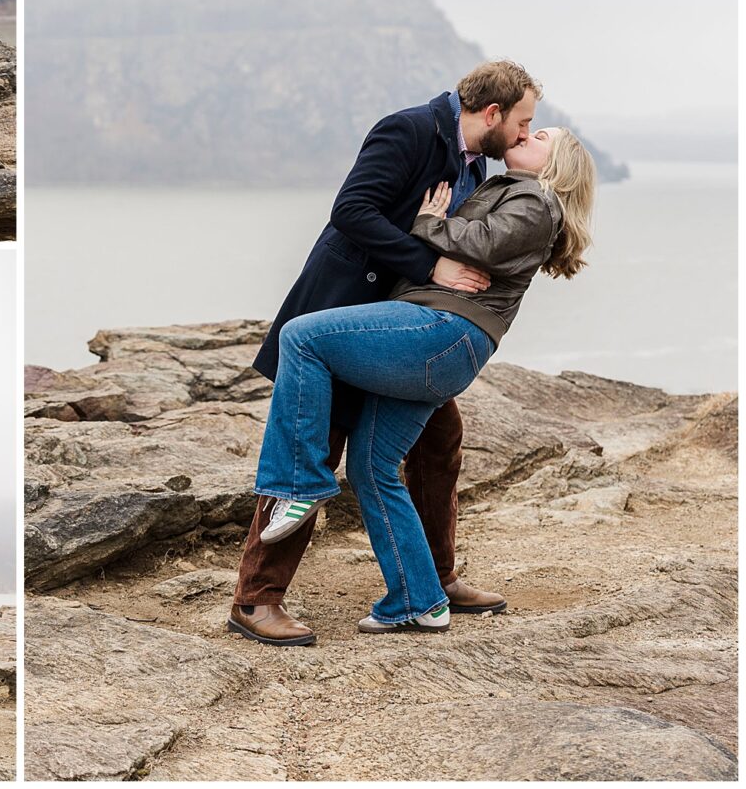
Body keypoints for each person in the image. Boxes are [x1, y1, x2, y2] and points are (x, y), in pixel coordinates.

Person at [227, 60, 541, 646]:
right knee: (315, 446)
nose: (525, 135)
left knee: (439, 444)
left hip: (404, 327)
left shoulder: (475, 165)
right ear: (492, 114)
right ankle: (257, 600)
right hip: (345, 313)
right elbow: (351, 211)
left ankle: (436, 581)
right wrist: (430, 265)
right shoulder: (409, 130)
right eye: (523, 122)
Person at [251, 127, 595, 634]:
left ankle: (299, 485)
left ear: (557, 163)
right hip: (440, 345)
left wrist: (430, 222)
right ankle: (418, 600)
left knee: (302, 337)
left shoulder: (537, 200)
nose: (528, 132)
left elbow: (480, 244)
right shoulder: (501, 186)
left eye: (540, 134)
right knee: (373, 467)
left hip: (439, 331)